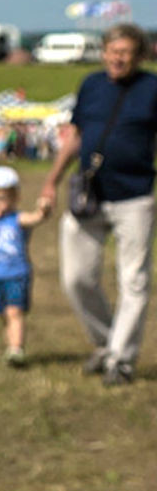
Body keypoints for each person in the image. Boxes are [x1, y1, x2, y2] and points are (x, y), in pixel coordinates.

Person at [40, 23, 157, 386]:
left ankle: (121, 361)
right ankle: (107, 343)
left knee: (133, 281)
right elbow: (75, 136)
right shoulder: (91, 85)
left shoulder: (152, 88)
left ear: (140, 56)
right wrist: (51, 181)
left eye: (126, 53)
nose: (118, 58)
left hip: (135, 197)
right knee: (76, 279)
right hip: (88, 196)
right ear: (104, 52)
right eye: (113, 51)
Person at [0, 166, 52, 368]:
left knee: (14, 312)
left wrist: (44, 209)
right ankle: (11, 347)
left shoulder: (18, 219)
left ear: (14, 198)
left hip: (17, 275)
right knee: (4, 315)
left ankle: (16, 349)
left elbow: (36, 218)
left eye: (0, 199)